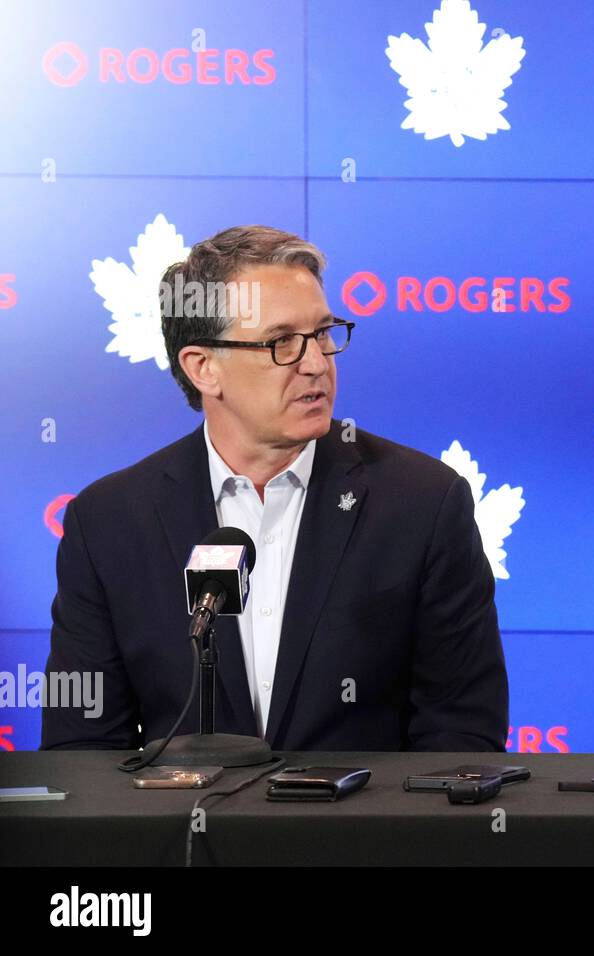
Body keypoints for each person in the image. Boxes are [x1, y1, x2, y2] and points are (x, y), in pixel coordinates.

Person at [42, 225, 508, 752]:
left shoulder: (424, 503)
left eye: (325, 334)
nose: (316, 363)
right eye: (282, 342)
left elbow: (462, 735)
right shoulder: (109, 523)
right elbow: (81, 753)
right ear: (203, 368)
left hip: (363, 831)